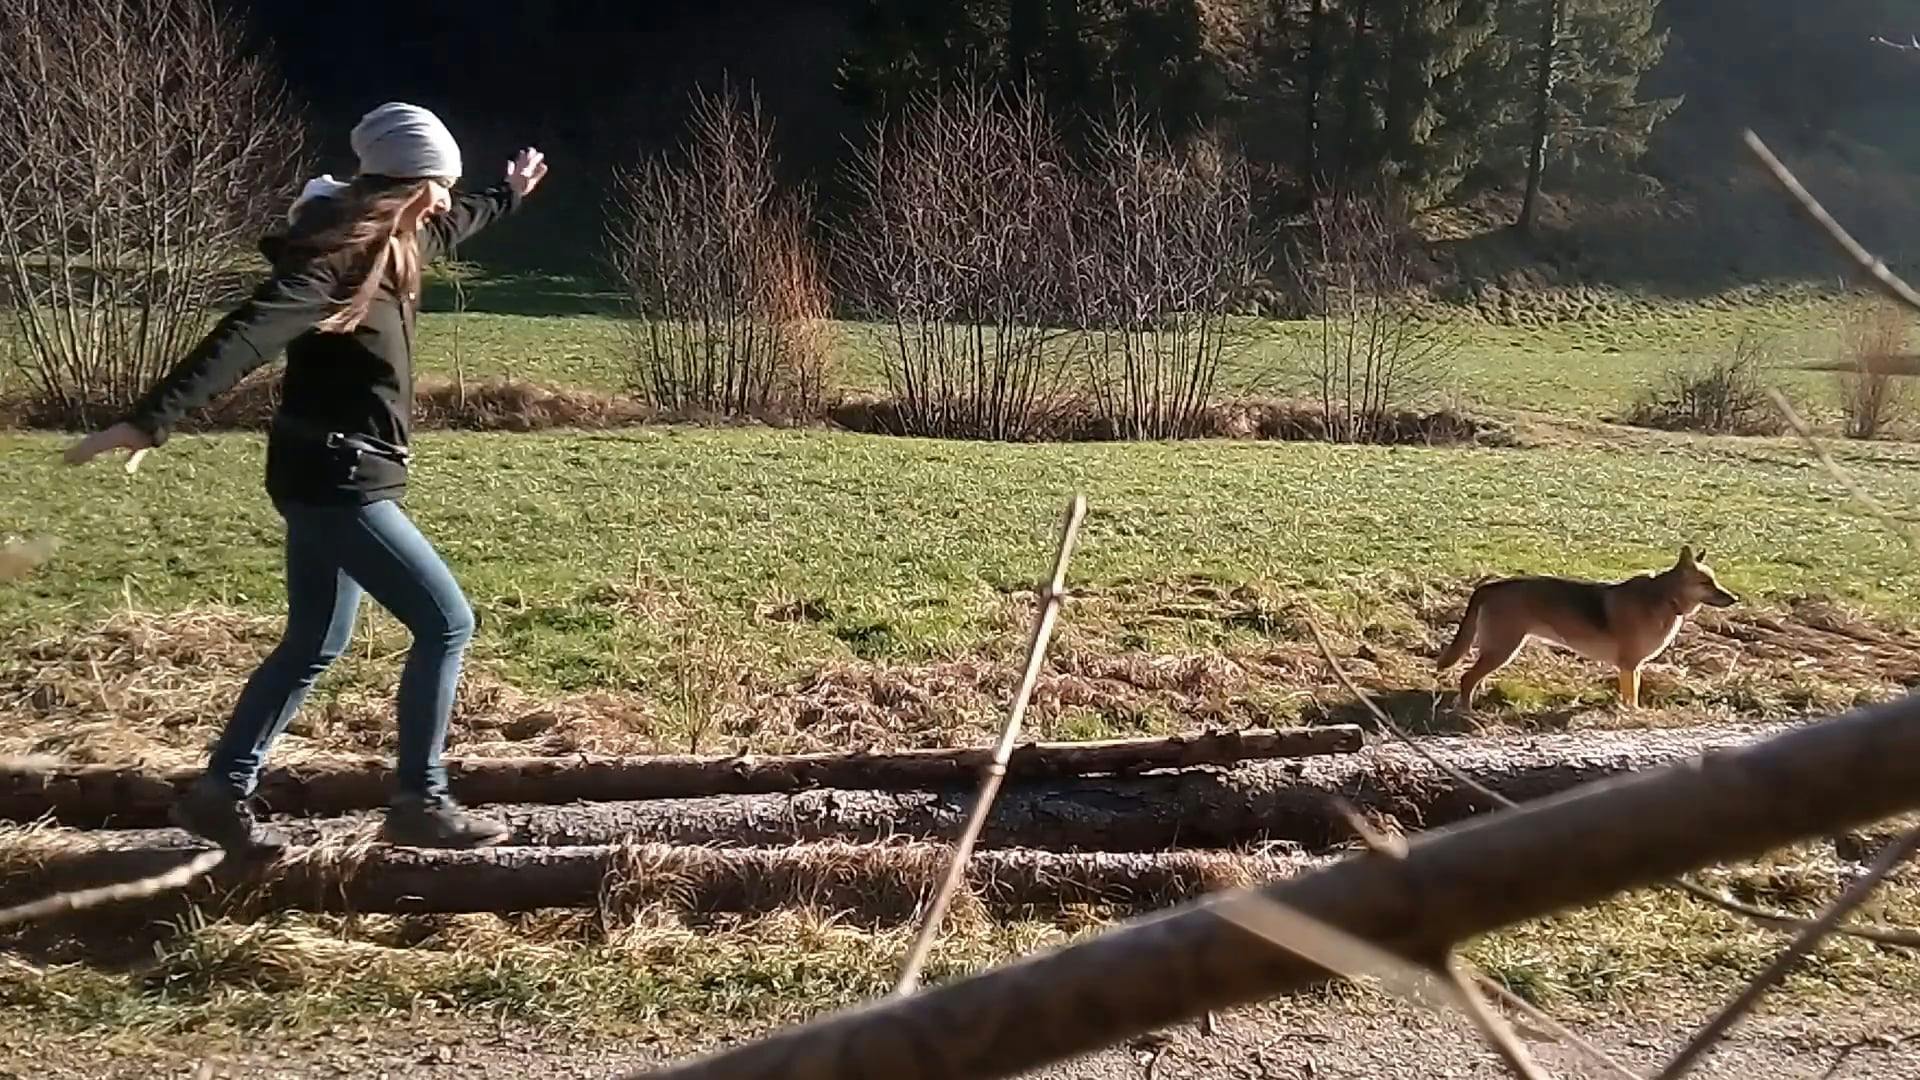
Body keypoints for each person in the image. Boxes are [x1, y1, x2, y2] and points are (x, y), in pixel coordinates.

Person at [63, 102, 550, 852]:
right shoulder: (331, 261)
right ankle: (421, 799)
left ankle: (220, 792)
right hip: (340, 474)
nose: (450, 200)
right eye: (442, 185)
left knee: (315, 638)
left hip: (321, 469)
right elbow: (249, 331)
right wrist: (152, 418)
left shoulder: (397, 239)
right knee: (447, 622)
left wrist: (511, 192)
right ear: (416, 185)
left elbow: (458, 222)